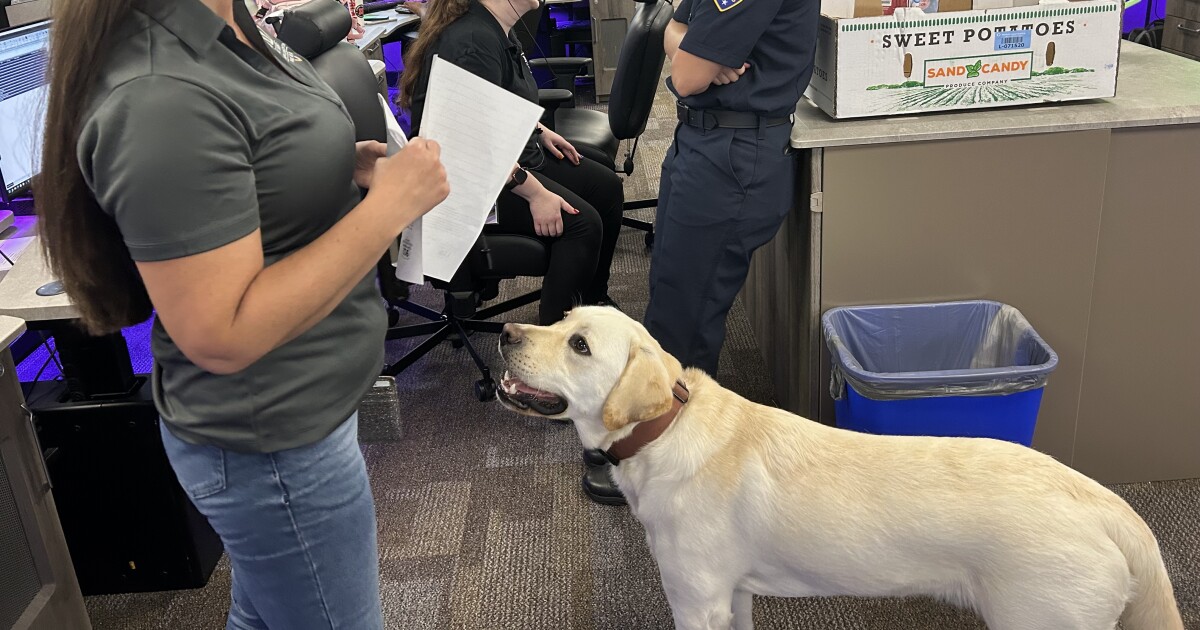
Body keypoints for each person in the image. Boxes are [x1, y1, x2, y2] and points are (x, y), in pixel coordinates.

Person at [38, 0, 448, 628]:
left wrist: (336, 167)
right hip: (273, 443)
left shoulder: (230, 22)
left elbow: (260, 155)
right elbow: (221, 333)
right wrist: (388, 210)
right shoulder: (160, 96)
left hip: (303, 413)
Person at [399, 0, 625, 327]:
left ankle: (592, 307)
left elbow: (498, 100)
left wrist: (538, 129)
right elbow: (469, 145)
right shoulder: (471, 42)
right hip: (465, 185)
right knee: (582, 224)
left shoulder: (495, 27)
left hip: (504, 158)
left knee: (605, 189)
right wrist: (535, 195)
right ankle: (553, 348)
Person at [645, 0, 819, 376]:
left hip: (729, 153)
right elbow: (672, 30)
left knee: (684, 319)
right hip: (702, 139)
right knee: (670, 290)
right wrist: (689, 52)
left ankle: (676, 426)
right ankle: (664, 420)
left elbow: (687, 78)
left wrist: (691, 58)